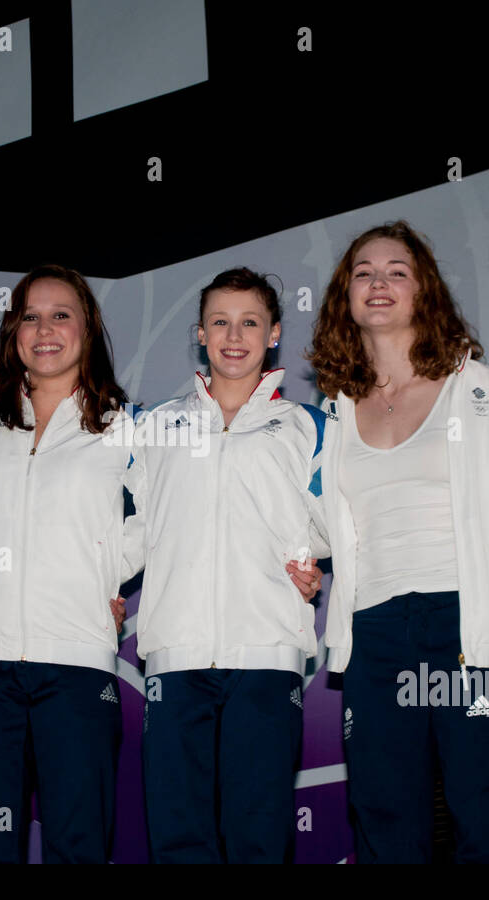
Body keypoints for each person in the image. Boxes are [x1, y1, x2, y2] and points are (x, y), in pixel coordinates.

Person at [293, 221, 489, 863]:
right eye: (364, 272)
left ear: (424, 291)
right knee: (385, 813)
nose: (379, 283)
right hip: (375, 631)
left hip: (466, 626)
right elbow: (321, 522)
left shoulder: (477, 386)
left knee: (487, 806)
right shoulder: (335, 408)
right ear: (346, 295)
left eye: (397, 270)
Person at [124, 267, 325, 863]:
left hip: (266, 657)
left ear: (273, 334)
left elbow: (334, 523)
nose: (233, 335)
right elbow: (129, 530)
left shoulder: (307, 427)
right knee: (179, 836)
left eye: (249, 322)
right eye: (220, 321)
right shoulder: (154, 426)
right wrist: (101, 585)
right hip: (176, 656)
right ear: (200, 333)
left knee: (257, 836)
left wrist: (307, 558)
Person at [0, 264, 132, 864]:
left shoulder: (128, 431)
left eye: (61, 315)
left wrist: (105, 571)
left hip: (75, 666)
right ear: (12, 331)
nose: (45, 329)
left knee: (78, 845)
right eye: (30, 315)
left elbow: (160, 522)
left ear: (88, 327)